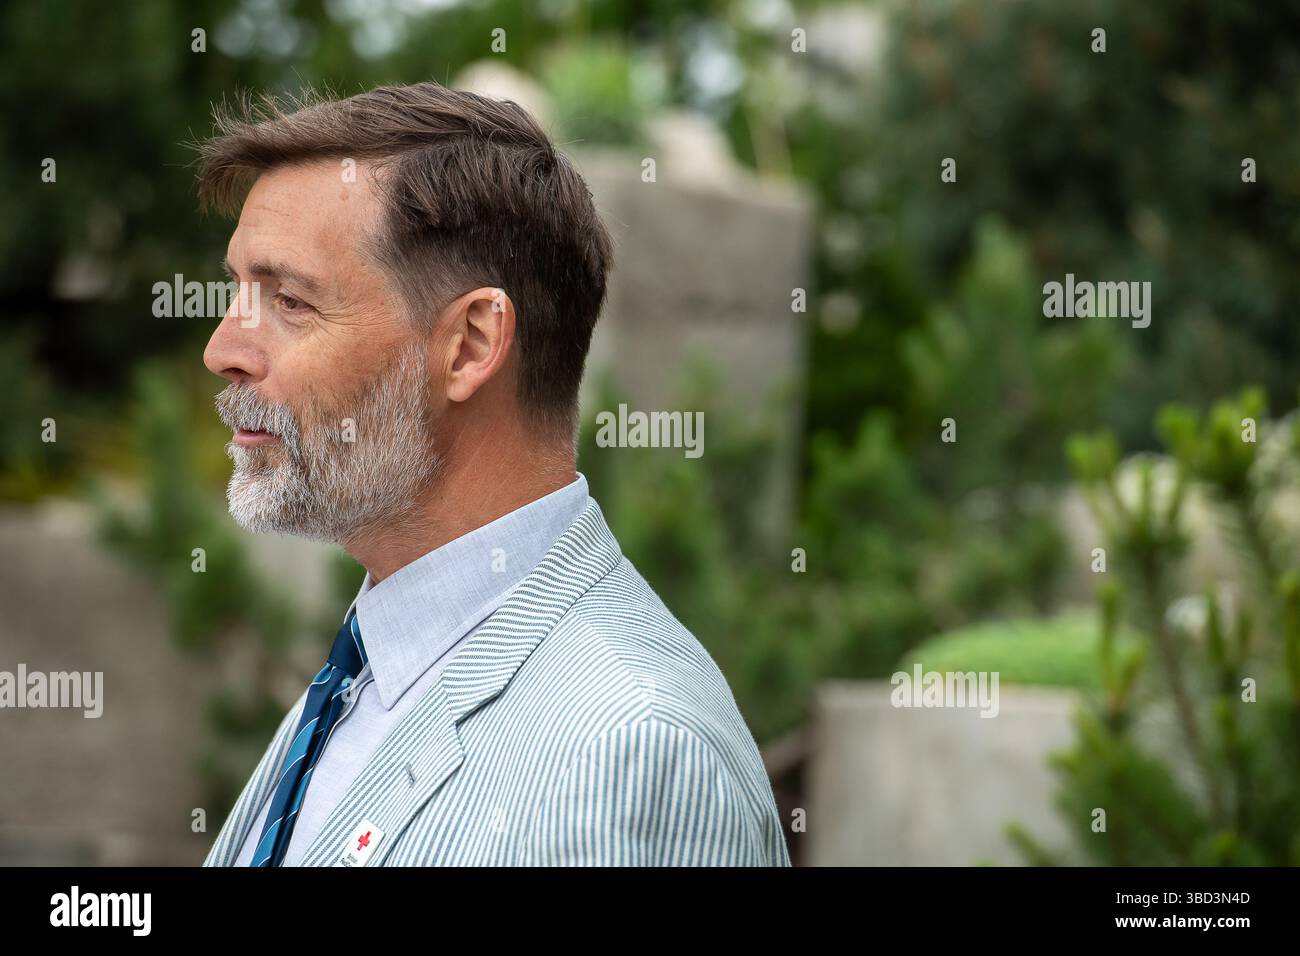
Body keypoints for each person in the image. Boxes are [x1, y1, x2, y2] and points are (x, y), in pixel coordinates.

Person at [196, 81, 790, 866]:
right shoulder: (370, 671)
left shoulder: (631, 751)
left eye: (291, 302)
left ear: (472, 344)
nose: (221, 349)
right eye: (237, 294)